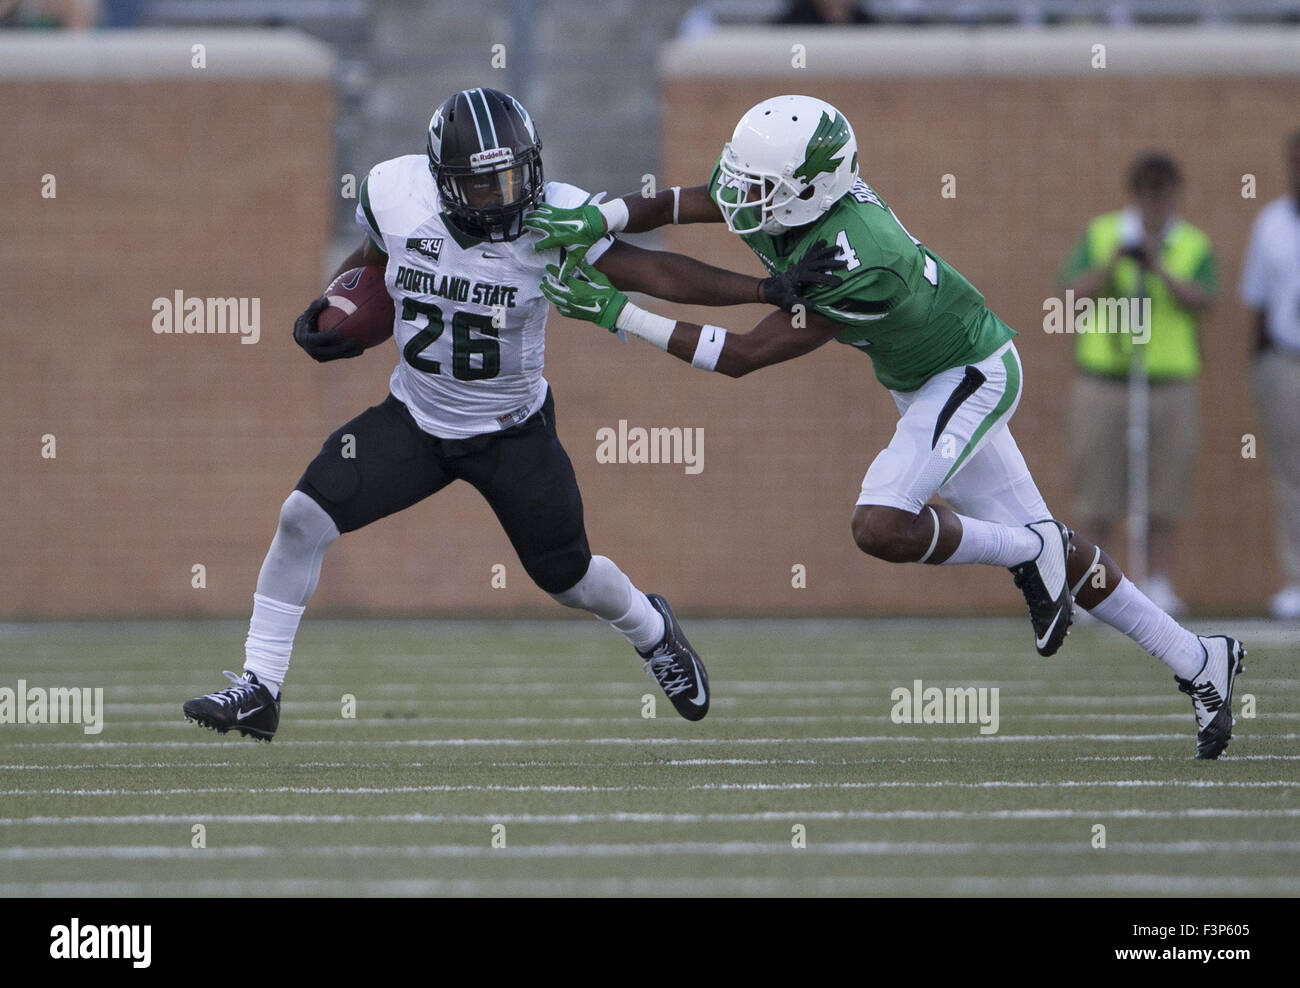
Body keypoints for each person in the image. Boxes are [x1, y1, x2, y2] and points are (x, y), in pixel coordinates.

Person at [526, 94, 1246, 759]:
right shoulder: (790, 189)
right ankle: (1197, 659)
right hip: (925, 379)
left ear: (811, 190)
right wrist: (605, 217)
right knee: (1064, 559)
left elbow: (743, 355)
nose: (742, 197)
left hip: (966, 372)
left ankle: (1032, 548)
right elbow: (697, 198)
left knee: (881, 524)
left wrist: (619, 314)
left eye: (759, 189)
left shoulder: (863, 263)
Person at [182, 88, 836, 738]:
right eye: (484, 184)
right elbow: (378, 256)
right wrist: (331, 305)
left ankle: (651, 628)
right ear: (442, 183)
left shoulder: (553, 220)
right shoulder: (394, 195)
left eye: (515, 176)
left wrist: (760, 289)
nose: (506, 195)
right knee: (301, 517)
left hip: (511, 431)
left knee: (570, 580)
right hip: (414, 420)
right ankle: (259, 688)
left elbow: (653, 272)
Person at [1059, 153, 1217, 617]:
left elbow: (1201, 298)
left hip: (1169, 380)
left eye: (1163, 193)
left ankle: (1158, 582)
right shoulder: (1103, 234)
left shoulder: (1191, 243)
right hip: (1105, 378)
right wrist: (1114, 264)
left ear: (1174, 195)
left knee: (1166, 485)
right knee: (1098, 485)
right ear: (1135, 195)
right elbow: (1070, 292)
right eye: (1147, 193)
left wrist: (1160, 266)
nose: (1155, 203)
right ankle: (1094, 583)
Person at [1240, 128, 1300, 620]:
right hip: (1287, 360)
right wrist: (1258, 367)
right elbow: (1257, 302)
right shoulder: (1272, 223)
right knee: (1293, 473)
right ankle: (1297, 578)